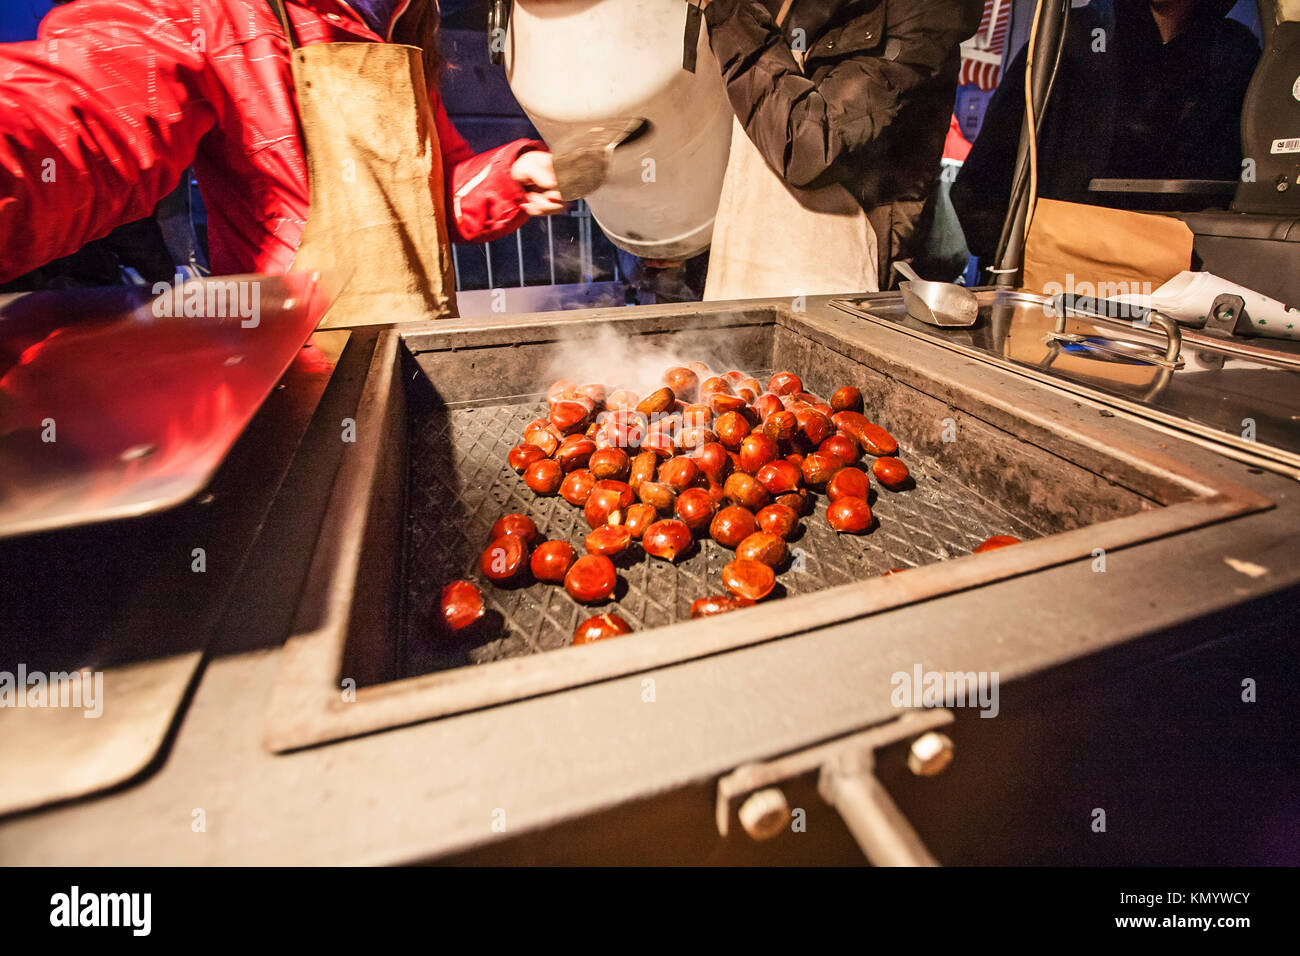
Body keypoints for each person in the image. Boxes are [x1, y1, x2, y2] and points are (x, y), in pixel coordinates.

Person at [0, 0, 565, 326]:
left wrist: (509, 178)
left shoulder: (398, 31)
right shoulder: (213, 13)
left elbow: (432, 199)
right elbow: (79, 116)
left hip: (419, 338)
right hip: (296, 361)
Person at [699, 0, 984, 300]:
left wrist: (729, 11)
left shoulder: (927, 12)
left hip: (831, 276)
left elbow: (807, 146)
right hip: (746, 261)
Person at [951, 0, 1261, 264]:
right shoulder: (1067, 38)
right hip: (1054, 285)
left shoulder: (1234, 57)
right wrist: (1025, 259)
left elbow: (1238, 189)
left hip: (1172, 290)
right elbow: (982, 185)